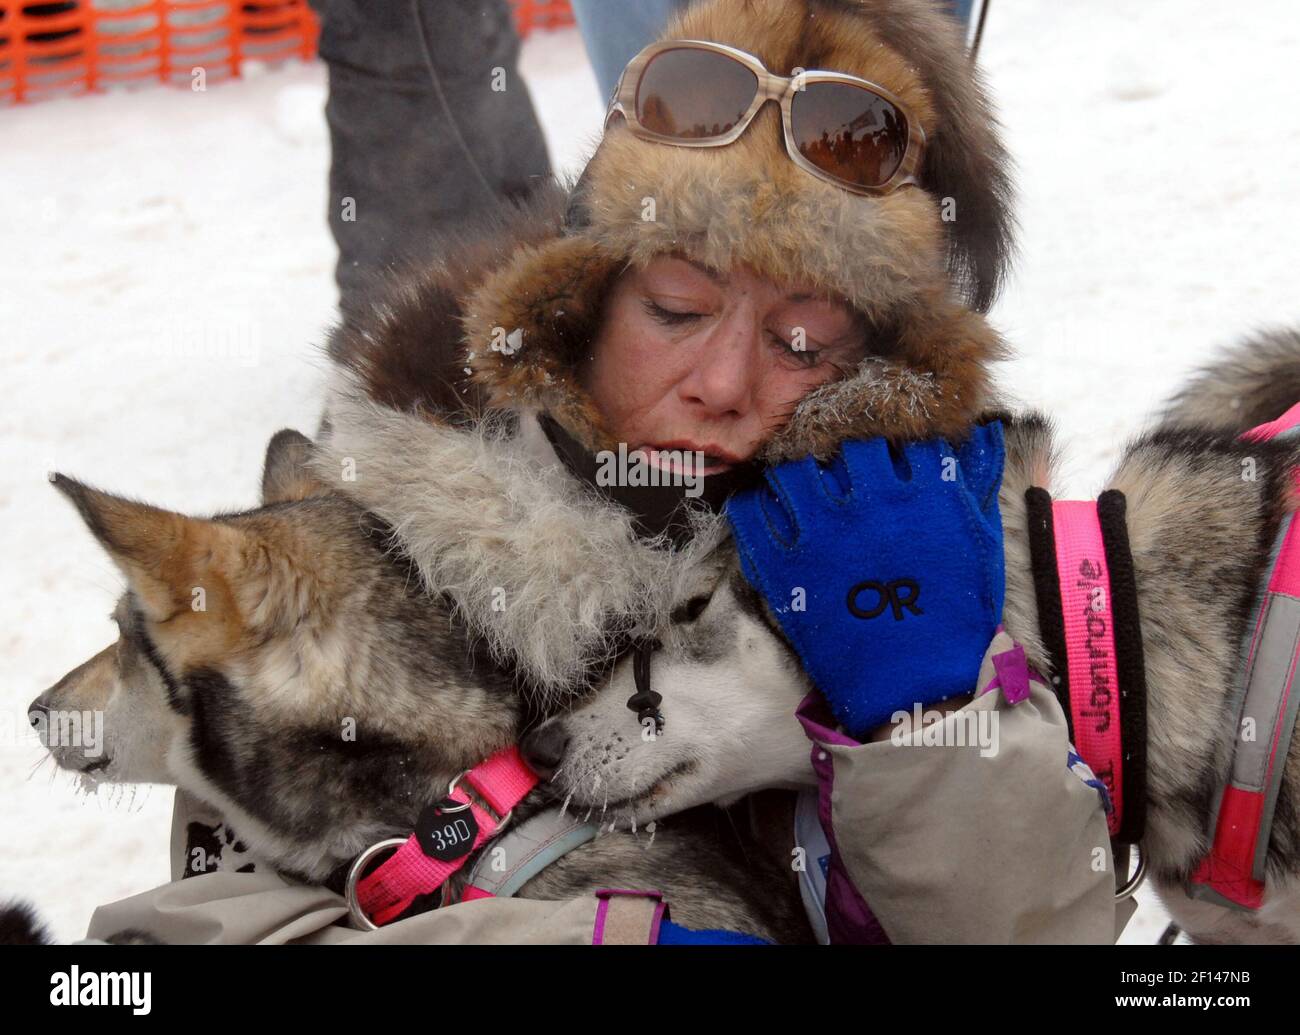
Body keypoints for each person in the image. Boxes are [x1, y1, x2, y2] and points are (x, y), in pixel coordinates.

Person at [86, 0, 1115, 945]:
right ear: (581, 296)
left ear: (874, 369)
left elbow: (1043, 936)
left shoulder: (937, 552)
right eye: (674, 309)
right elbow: (195, 928)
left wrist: (930, 720)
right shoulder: (388, 525)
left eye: (801, 343)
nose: (721, 381)